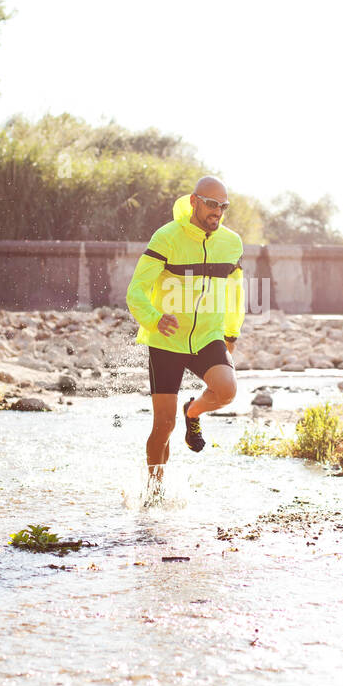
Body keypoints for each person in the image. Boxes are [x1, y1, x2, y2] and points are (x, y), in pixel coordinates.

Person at [126, 176, 245, 490]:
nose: (216, 212)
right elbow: (136, 290)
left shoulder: (232, 243)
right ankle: (154, 491)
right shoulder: (167, 237)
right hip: (167, 339)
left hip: (208, 335)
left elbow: (235, 292)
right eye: (210, 204)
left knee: (227, 390)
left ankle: (193, 412)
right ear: (194, 201)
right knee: (163, 425)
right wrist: (153, 318)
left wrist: (230, 334)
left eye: (223, 206)